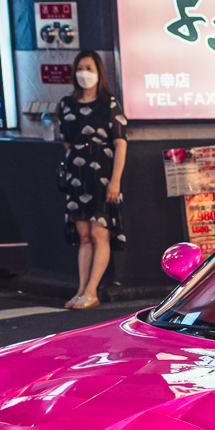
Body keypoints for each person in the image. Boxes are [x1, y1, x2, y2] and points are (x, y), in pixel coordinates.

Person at [55, 49, 127, 309]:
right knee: (83, 234)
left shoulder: (109, 104)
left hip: (103, 173)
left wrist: (115, 180)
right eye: (80, 68)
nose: (84, 73)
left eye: (90, 68)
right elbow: (65, 141)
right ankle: (81, 289)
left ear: (99, 73)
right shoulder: (66, 104)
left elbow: (121, 144)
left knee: (99, 232)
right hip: (77, 175)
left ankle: (92, 290)